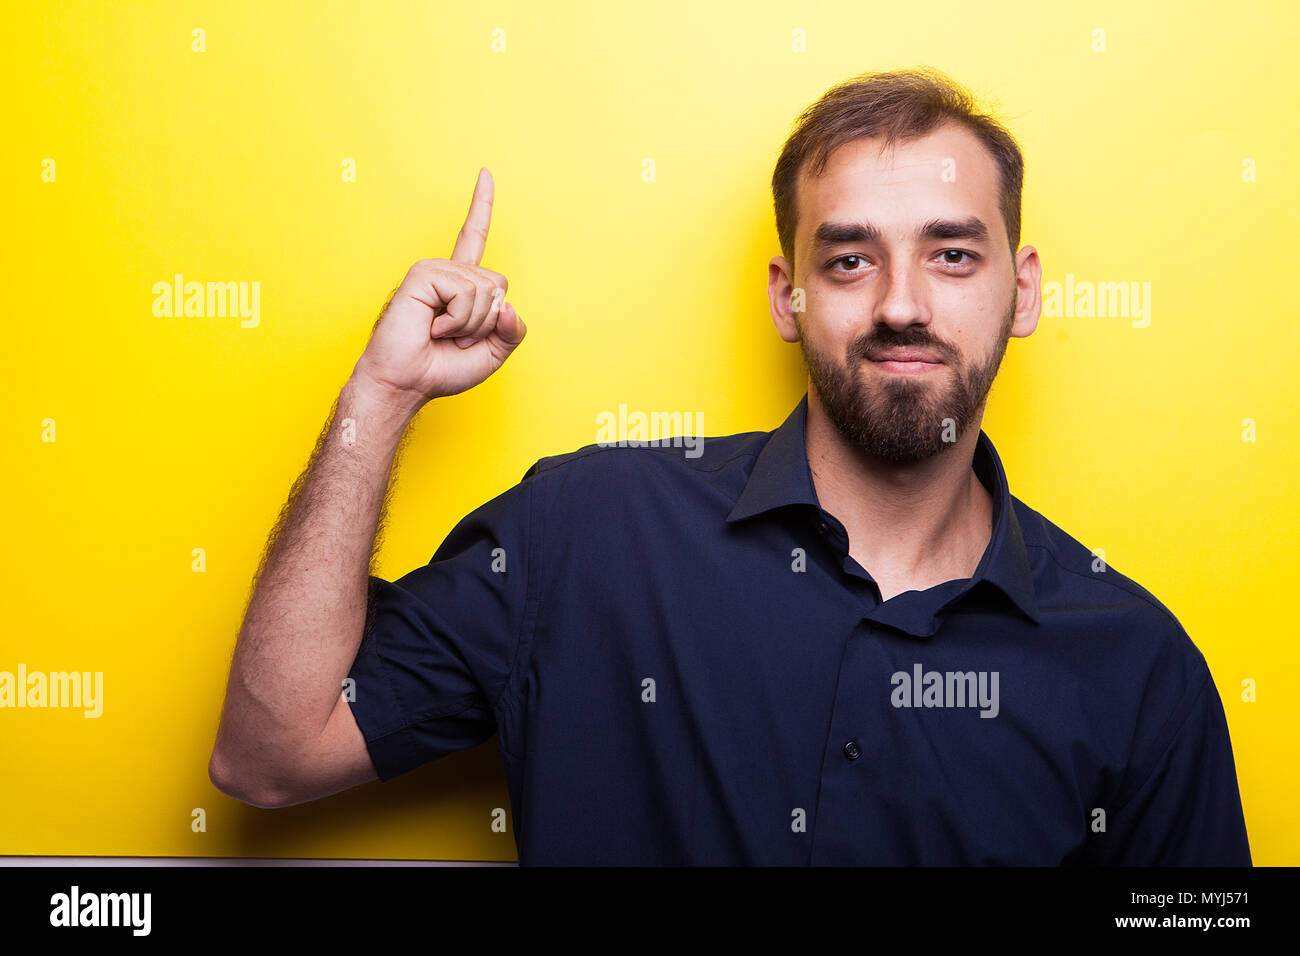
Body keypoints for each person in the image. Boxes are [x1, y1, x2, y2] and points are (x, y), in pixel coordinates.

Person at [209, 67, 1252, 865]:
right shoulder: (585, 531)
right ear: (784, 295)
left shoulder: (1139, 670)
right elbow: (269, 752)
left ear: (1021, 293)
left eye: (951, 253)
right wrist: (377, 400)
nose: (899, 302)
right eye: (848, 258)